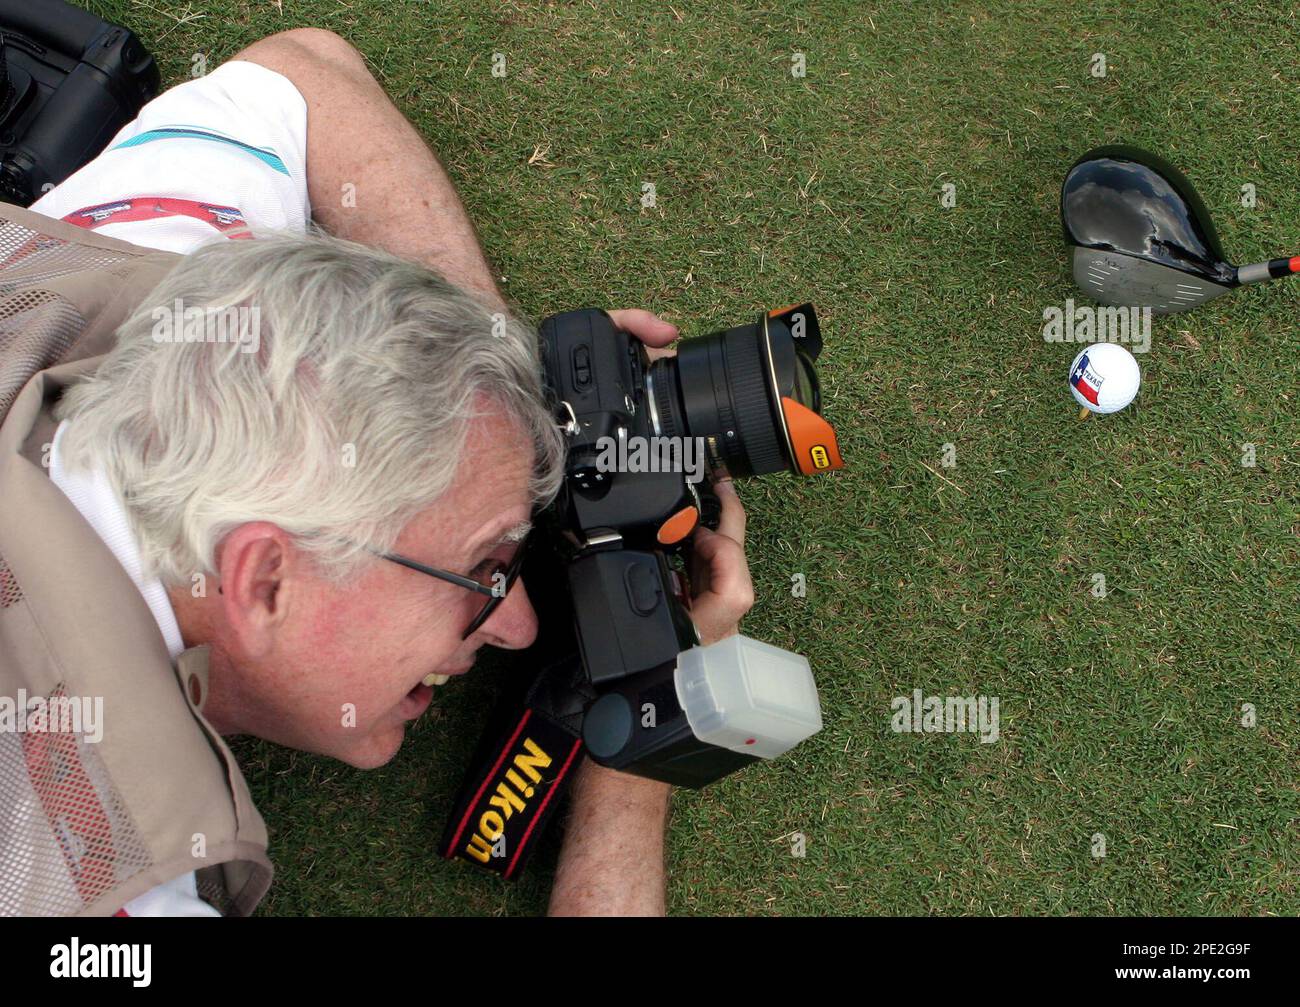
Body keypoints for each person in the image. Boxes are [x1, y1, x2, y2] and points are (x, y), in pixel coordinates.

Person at [1, 28, 753, 916]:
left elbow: (300, 74)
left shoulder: (99, 285)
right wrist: (645, 723)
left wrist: (492, 376)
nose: (520, 623)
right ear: (264, 578)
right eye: (479, 571)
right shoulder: (87, 883)